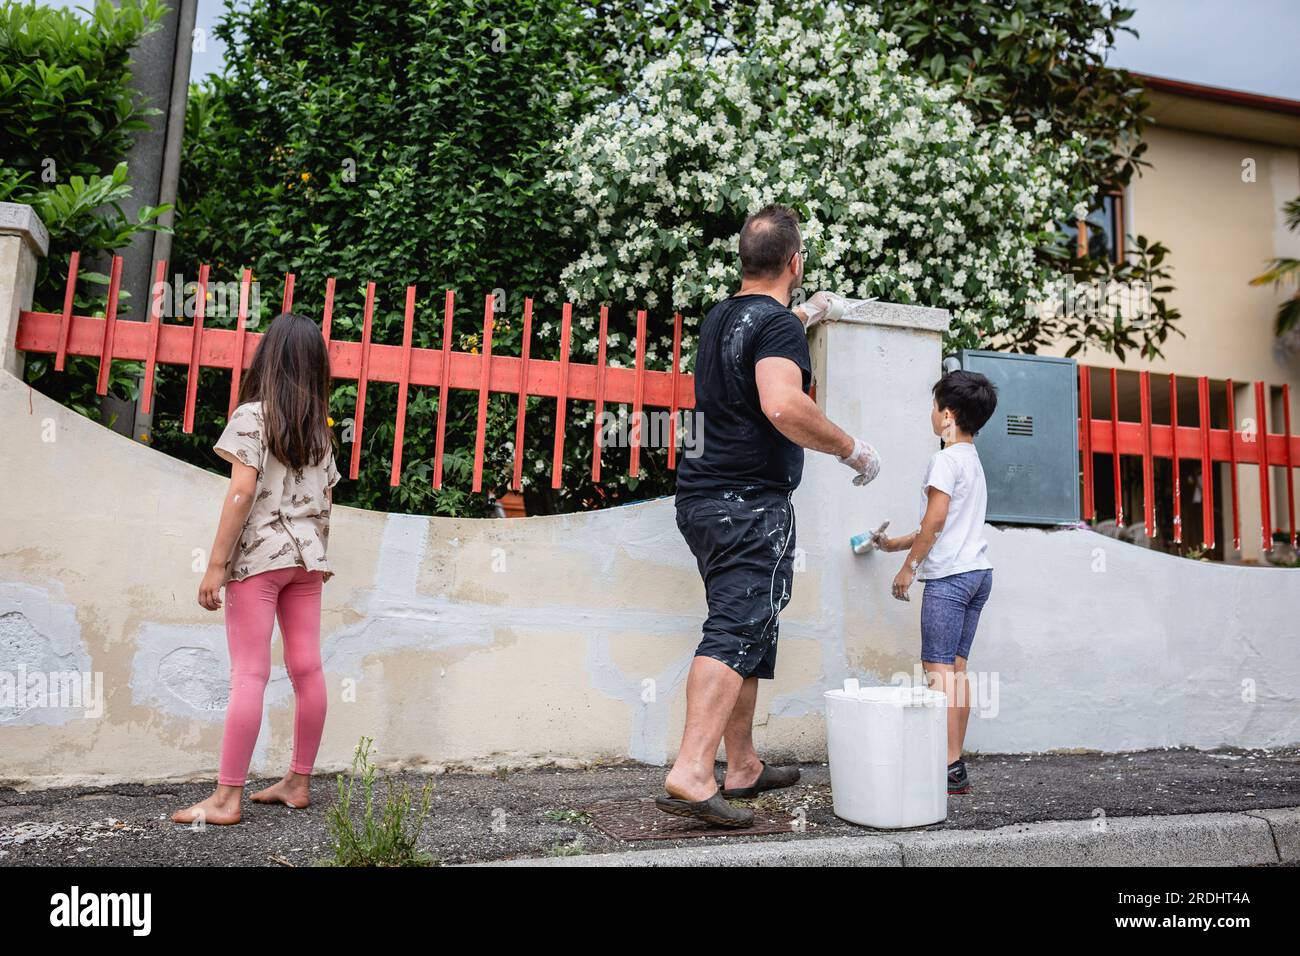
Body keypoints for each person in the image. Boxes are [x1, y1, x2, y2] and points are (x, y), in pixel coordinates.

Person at [657, 204, 880, 827]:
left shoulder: (721, 318)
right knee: (735, 627)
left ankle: (744, 764)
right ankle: (693, 770)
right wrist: (850, 448)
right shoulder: (776, 328)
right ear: (795, 262)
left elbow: (761, 335)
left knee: (752, 626)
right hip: (748, 502)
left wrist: (807, 314)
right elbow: (782, 404)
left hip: (702, 498)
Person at [171, 312, 341, 826]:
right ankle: (298, 781)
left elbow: (242, 492)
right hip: (308, 563)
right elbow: (327, 500)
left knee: (249, 672)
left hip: (261, 562)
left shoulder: (253, 416)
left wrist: (216, 564)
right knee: (307, 667)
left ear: (269, 358)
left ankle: (225, 800)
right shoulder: (319, 429)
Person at [873, 370, 997, 795]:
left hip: (950, 579)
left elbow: (937, 520)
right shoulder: (972, 462)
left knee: (938, 669)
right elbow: (941, 526)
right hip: (978, 574)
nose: (931, 414)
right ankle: (954, 763)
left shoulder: (943, 461)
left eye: (933, 408)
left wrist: (909, 566)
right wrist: (893, 545)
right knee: (957, 671)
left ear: (946, 415)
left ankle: (946, 766)